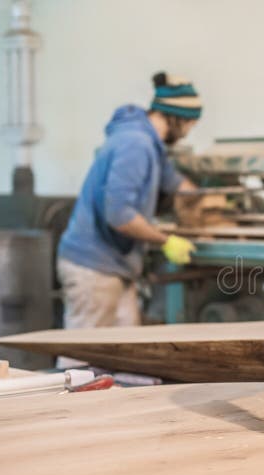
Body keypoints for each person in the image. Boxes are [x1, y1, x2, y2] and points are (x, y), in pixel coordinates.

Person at [57, 72, 201, 334]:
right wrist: (165, 240)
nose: (188, 132)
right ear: (176, 118)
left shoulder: (149, 144)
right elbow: (119, 215)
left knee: (126, 347)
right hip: (94, 268)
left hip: (117, 268)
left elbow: (173, 181)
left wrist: (209, 200)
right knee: (82, 355)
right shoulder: (136, 144)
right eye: (190, 124)